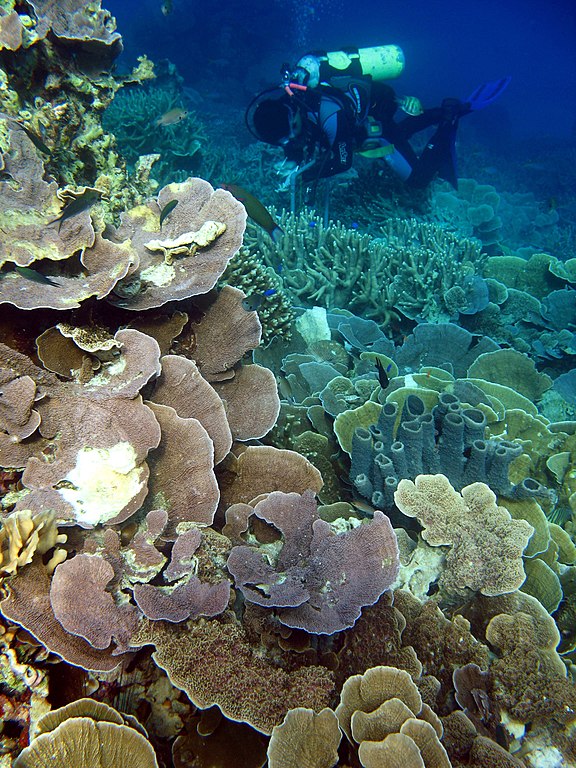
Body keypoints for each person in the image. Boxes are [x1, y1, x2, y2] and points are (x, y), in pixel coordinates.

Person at [245, 48, 510, 197]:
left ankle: (449, 118)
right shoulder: (289, 103)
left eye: (289, 135)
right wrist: (291, 159)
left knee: (416, 180)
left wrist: (305, 176)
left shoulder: (327, 113)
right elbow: (293, 140)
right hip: (360, 118)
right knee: (390, 135)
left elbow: (343, 160)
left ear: (292, 116)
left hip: (376, 114)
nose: (289, 142)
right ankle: (438, 113)